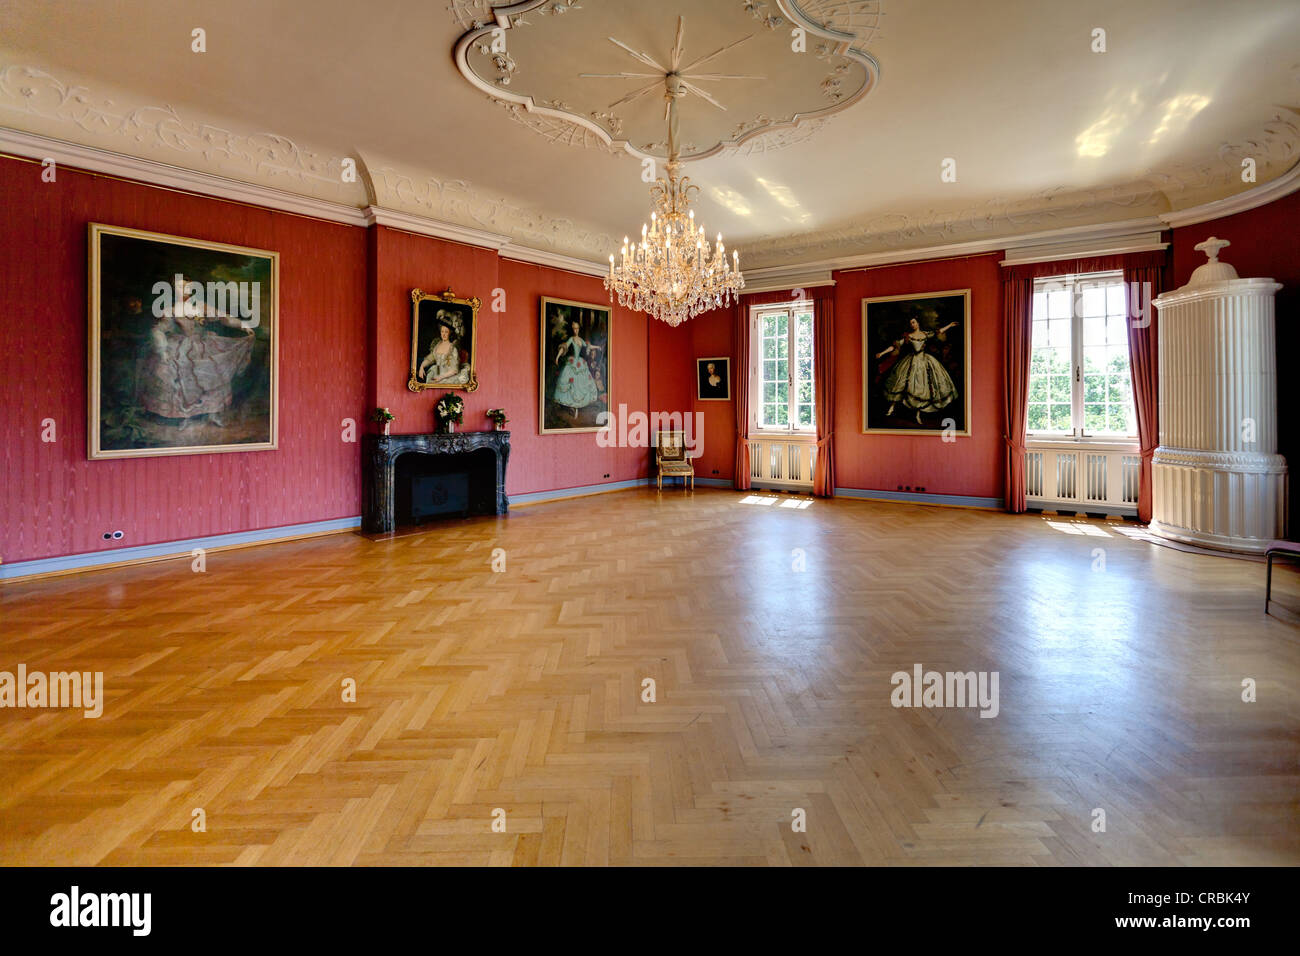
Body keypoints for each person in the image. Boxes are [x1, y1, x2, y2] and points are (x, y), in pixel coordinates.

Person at [140, 275, 253, 429]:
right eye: (179, 287)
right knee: (175, 374)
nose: (182, 290)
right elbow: (158, 330)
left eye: (186, 286)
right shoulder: (170, 310)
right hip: (179, 347)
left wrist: (242, 325)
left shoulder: (202, 306)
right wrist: (162, 349)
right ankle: (185, 416)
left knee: (214, 374)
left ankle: (213, 413)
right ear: (174, 289)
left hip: (203, 345)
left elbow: (225, 318)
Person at [875, 317, 960, 425]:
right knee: (900, 383)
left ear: (918, 323)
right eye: (910, 323)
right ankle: (891, 409)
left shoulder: (925, 334)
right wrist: (882, 353)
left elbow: (938, 332)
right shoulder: (908, 336)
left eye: (914, 322)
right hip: (911, 361)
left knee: (921, 387)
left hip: (924, 361)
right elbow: (894, 346)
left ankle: (917, 415)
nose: (912, 324)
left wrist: (950, 325)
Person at [552, 318, 601, 421]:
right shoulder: (571, 339)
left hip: (580, 363)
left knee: (580, 385)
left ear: (579, 329)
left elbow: (589, 345)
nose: (576, 331)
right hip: (573, 363)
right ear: (572, 329)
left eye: (577, 329)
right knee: (572, 385)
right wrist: (557, 357)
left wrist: (597, 347)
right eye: (574, 329)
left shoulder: (581, 340)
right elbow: (564, 347)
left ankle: (577, 407)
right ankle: (573, 407)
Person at [418, 312, 468, 385]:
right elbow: (430, 358)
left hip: (448, 376)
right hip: (437, 372)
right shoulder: (438, 345)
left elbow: (454, 370)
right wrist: (421, 367)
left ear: (449, 333)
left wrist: (441, 377)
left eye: (446, 332)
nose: (444, 334)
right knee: (430, 375)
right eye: (442, 332)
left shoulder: (452, 349)